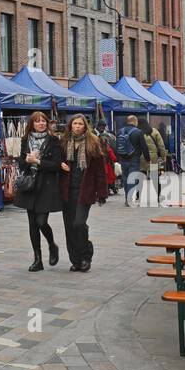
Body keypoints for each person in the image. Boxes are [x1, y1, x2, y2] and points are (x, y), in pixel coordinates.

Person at [59, 115, 109, 272]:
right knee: (69, 227)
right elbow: (55, 162)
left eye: (80, 124)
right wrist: (61, 166)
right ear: (70, 125)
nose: (77, 126)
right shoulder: (64, 143)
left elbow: (101, 172)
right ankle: (75, 260)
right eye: (75, 123)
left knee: (79, 224)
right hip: (67, 190)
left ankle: (86, 254)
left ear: (85, 126)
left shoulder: (93, 143)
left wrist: (102, 193)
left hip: (84, 191)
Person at [15, 111, 65, 270]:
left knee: (41, 221)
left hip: (47, 185)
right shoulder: (25, 140)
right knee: (32, 224)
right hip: (30, 185)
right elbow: (21, 164)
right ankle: (37, 259)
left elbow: (57, 165)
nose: (41, 123)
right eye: (37, 121)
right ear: (32, 124)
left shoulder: (53, 140)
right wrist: (28, 161)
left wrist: (37, 160)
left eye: (44, 121)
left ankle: (52, 245)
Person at [114, 114, 150, 206]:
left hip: (123, 159)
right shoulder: (138, 132)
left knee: (125, 179)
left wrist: (118, 158)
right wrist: (147, 158)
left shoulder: (120, 131)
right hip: (134, 159)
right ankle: (129, 199)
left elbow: (117, 145)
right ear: (135, 121)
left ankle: (127, 198)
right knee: (132, 179)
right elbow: (144, 147)